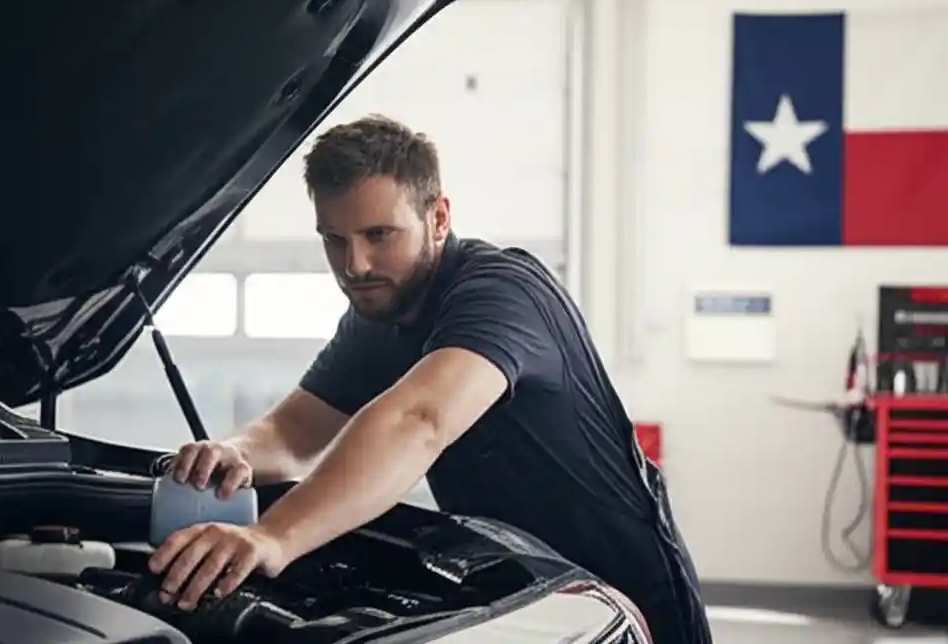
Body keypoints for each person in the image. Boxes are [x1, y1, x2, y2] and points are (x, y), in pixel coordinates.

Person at [147, 114, 713, 643]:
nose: (355, 265)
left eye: (379, 235)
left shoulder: (502, 293)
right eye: (334, 239)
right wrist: (233, 452)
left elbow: (418, 421)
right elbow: (293, 432)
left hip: (623, 609)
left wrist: (272, 537)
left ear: (438, 218)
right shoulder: (380, 319)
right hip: (517, 600)